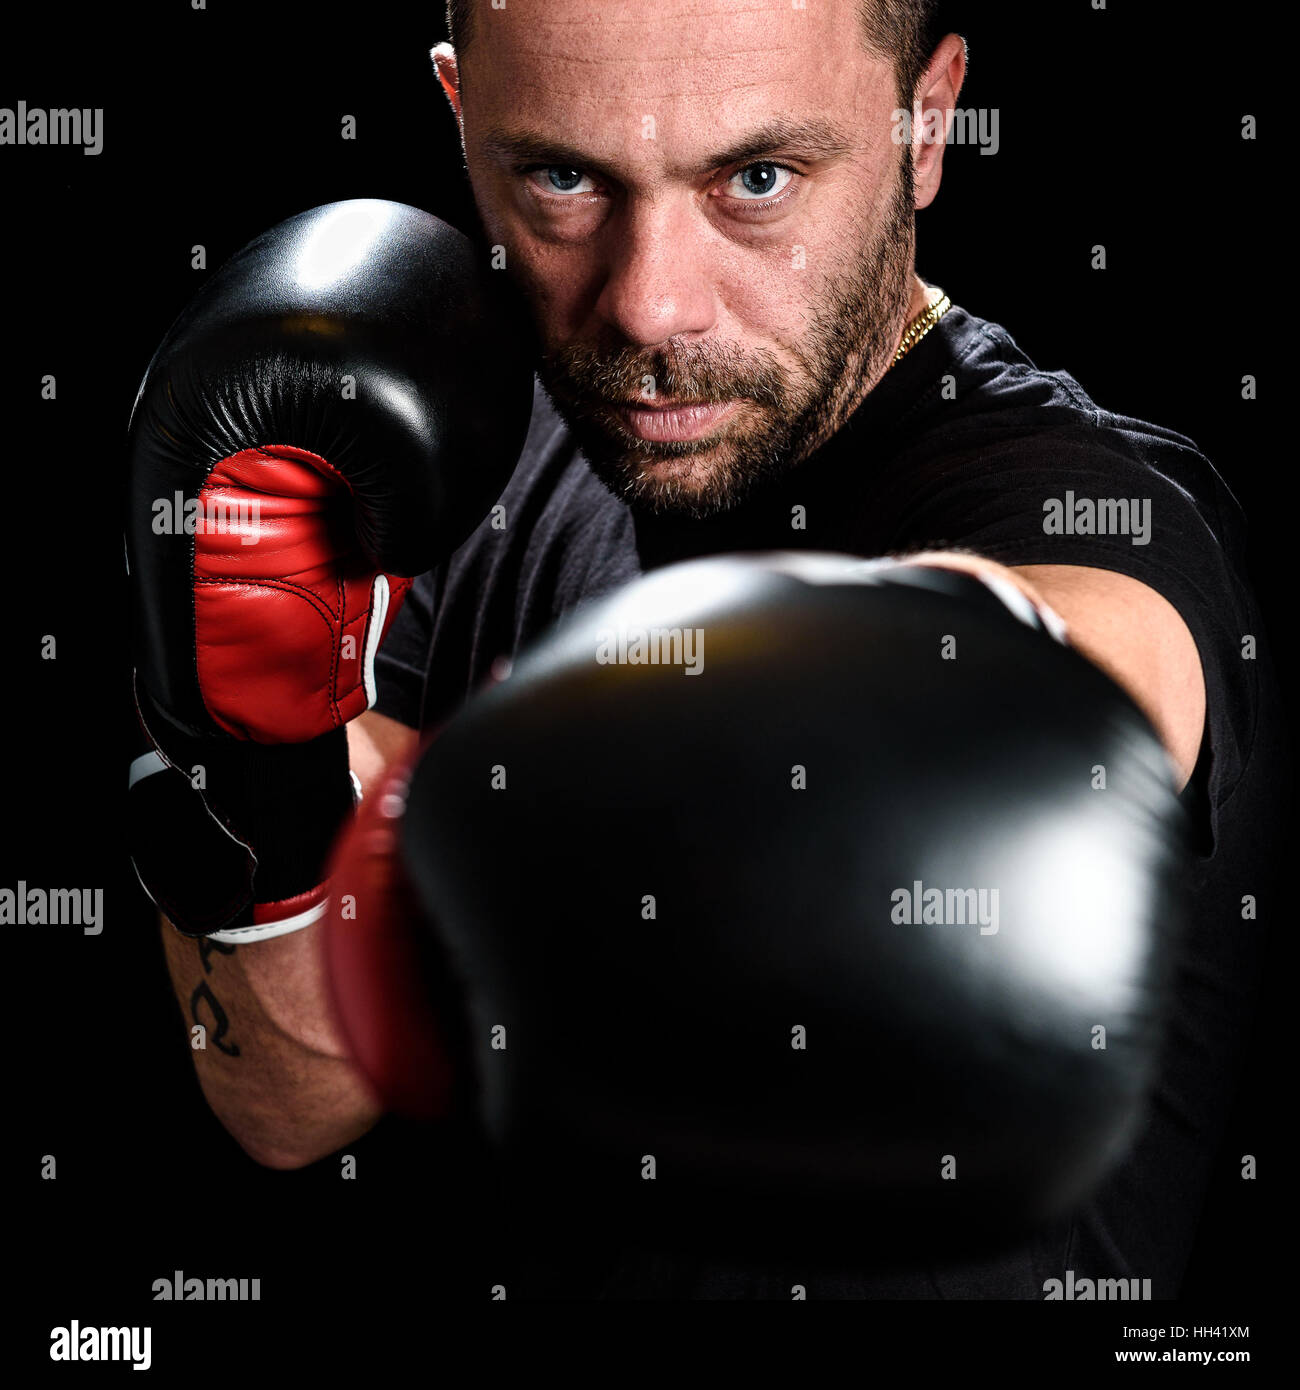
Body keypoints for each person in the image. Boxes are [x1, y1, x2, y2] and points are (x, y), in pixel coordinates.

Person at [136, 0, 1283, 1298]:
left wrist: (918, 712)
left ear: (925, 121)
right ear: (462, 118)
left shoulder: (1076, 503)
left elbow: (1080, 675)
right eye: (563, 176)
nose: (649, 308)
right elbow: (289, 1100)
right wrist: (259, 758)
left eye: (755, 178)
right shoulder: (440, 461)